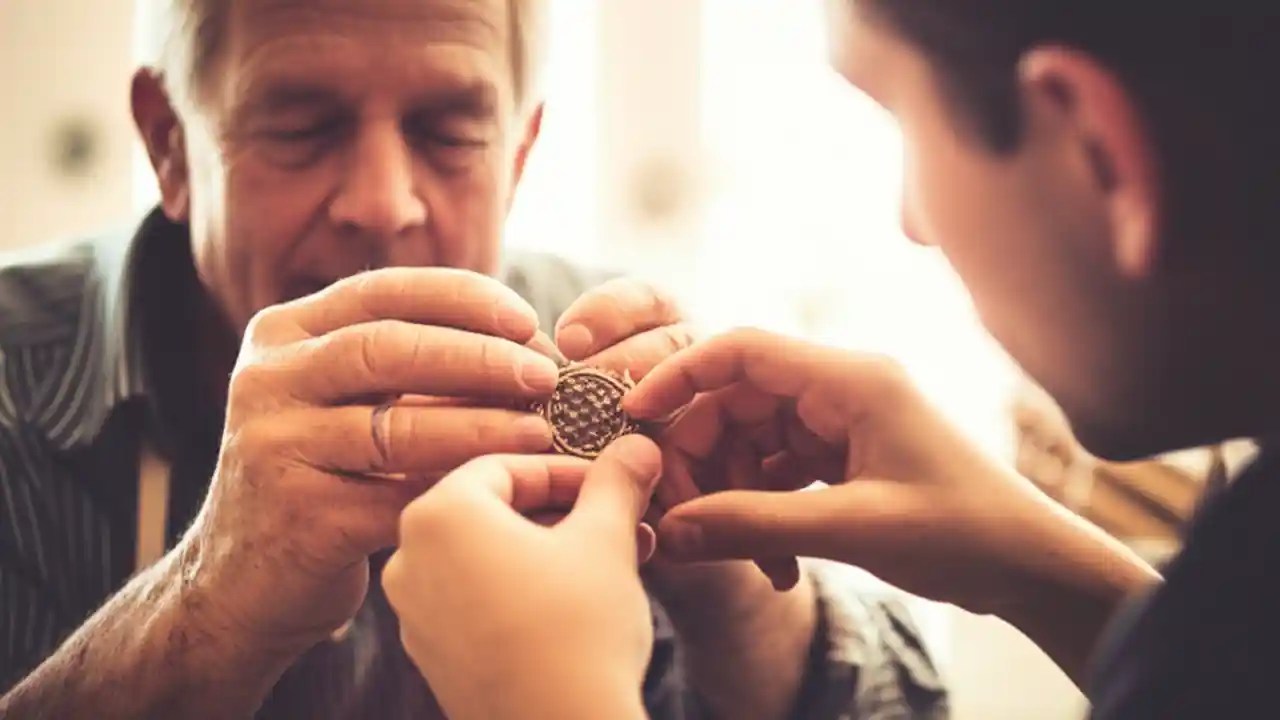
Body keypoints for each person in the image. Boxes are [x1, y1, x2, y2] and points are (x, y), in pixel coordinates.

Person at [0, 0, 947, 718]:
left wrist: (729, 588)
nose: (384, 203)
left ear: (522, 151)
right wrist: (208, 602)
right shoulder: (15, 384)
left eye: (450, 129)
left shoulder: (626, 367)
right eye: (303, 127)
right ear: (170, 142)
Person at [381, 2, 1280, 719]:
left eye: (900, 120)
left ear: (1099, 153)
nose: (911, 223)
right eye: (299, 129)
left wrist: (542, 699)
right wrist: (1031, 564)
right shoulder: (1228, 604)